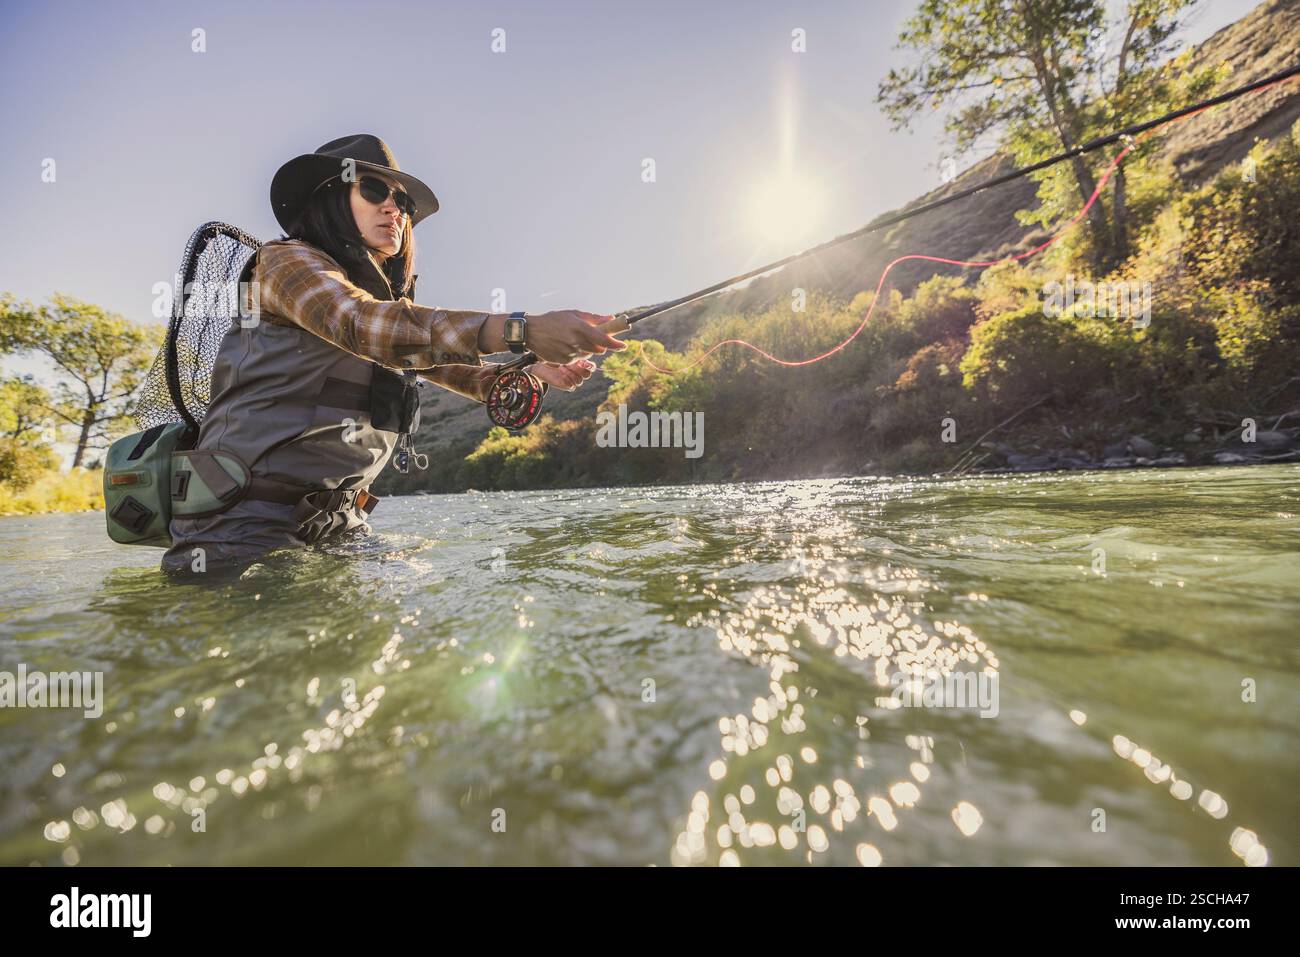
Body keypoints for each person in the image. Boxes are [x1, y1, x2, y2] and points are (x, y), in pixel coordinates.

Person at [161, 134, 625, 576]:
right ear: (327, 197)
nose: (395, 208)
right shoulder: (285, 262)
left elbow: (441, 363)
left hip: (340, 522)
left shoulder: (382, 310)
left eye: (402, 202)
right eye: (374, 189)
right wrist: (524, 329)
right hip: (241, 522)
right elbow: (360, 325)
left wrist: (532, 368)